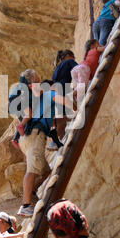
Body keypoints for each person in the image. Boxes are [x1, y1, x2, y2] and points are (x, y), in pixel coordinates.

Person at [17, 74, 74, 218]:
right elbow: (66, 103)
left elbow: (52, 121)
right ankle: (25, 205)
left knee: (45, 171)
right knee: (32, 169)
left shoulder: (39, 102)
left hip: (28, 138)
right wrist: (76, 107)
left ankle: (33, 191)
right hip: (35, 136)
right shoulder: (49, 94)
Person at [50, 50, 78, 148]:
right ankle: (57, 139)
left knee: (60, 116)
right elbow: (78, 69)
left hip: (54, 93)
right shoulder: (69, 62)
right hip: (62, 90)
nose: (74, 59)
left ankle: (55, 141)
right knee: (65, 115)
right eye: (73, 56)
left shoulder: (56, 69)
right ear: (68, 56)